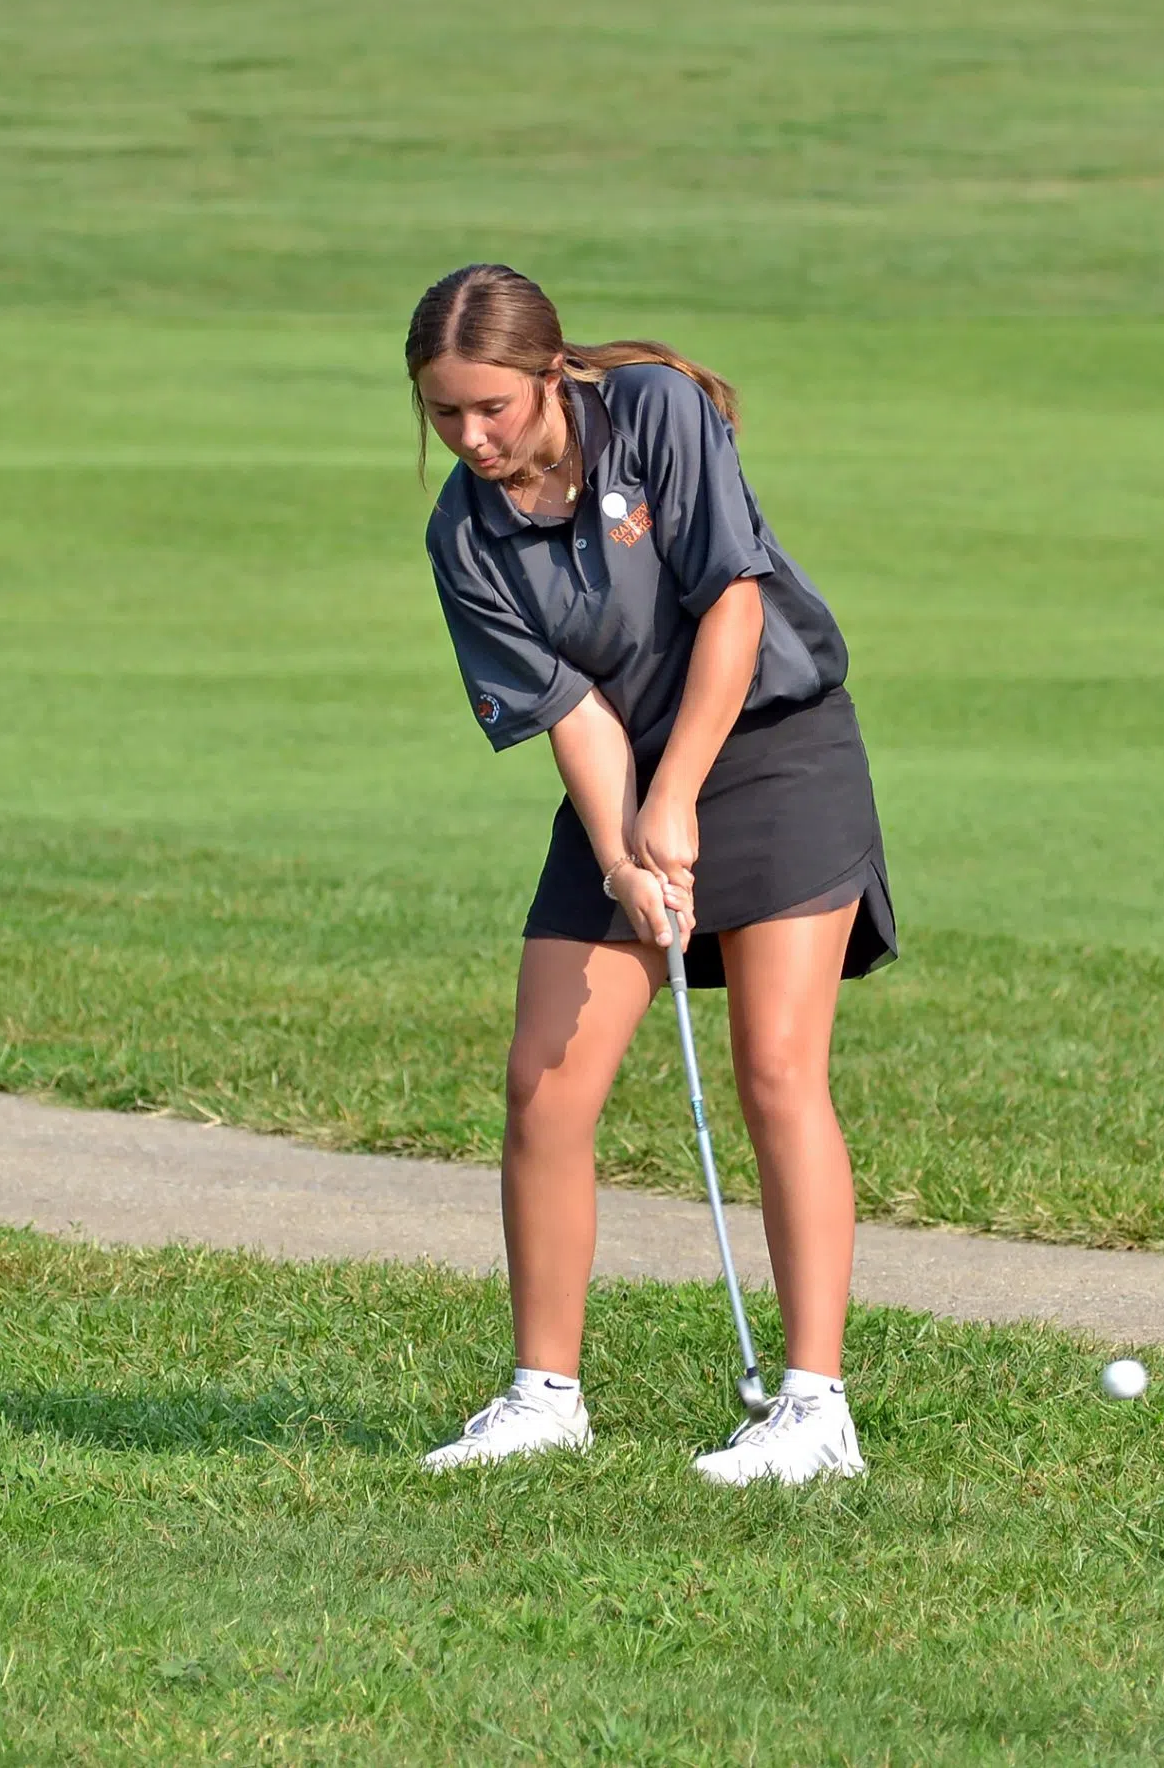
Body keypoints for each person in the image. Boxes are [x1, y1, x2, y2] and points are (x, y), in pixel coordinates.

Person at [406, 264, 897, 1487]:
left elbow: (733, 605)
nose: (469, 436)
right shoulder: (463, 534)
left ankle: (815, 1410)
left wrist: (676, 800)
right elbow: (572, 714)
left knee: (776, 1068)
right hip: (623, 771)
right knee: (543, 1081)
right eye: (443, 411)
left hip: (775, 749)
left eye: (491, 407)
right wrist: (626, 851)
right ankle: (544, 1396)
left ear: (548, 373)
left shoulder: (655, 413)